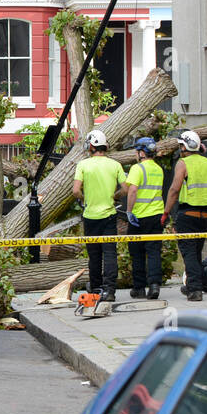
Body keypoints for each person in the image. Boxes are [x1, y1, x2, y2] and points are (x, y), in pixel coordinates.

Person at [163, 129, 207, 302]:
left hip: (187, 214)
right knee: (196, 251)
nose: (180, 149)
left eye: (181, 145)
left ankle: (195, 289)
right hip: (205, 215)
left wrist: (166, 212)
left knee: (189, 253)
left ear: (185, 146)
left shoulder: (183, 163)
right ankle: (192, 285)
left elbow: (174, 189)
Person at [73, 129, 127, 304]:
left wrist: (84, 199)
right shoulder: (115, 165)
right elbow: (125, 189)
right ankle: (110, 290)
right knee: (110, 254)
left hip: (90, 217)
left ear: (91, 146)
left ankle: (96, 289)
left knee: (94, 255)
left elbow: (75, 191)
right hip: (109, 215)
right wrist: (115, 196)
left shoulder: (83, 165)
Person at [124, 137, 165, 300]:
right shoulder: (158, 169)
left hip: (139, 217)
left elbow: (132, 191)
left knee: (137, 253)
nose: (135, 154)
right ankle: (154, 285)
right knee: (154, 251)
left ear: (142, 152)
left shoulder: (137, 168)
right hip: (156, 215)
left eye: (136, 151)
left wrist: (129, 211)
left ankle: (139, 288)